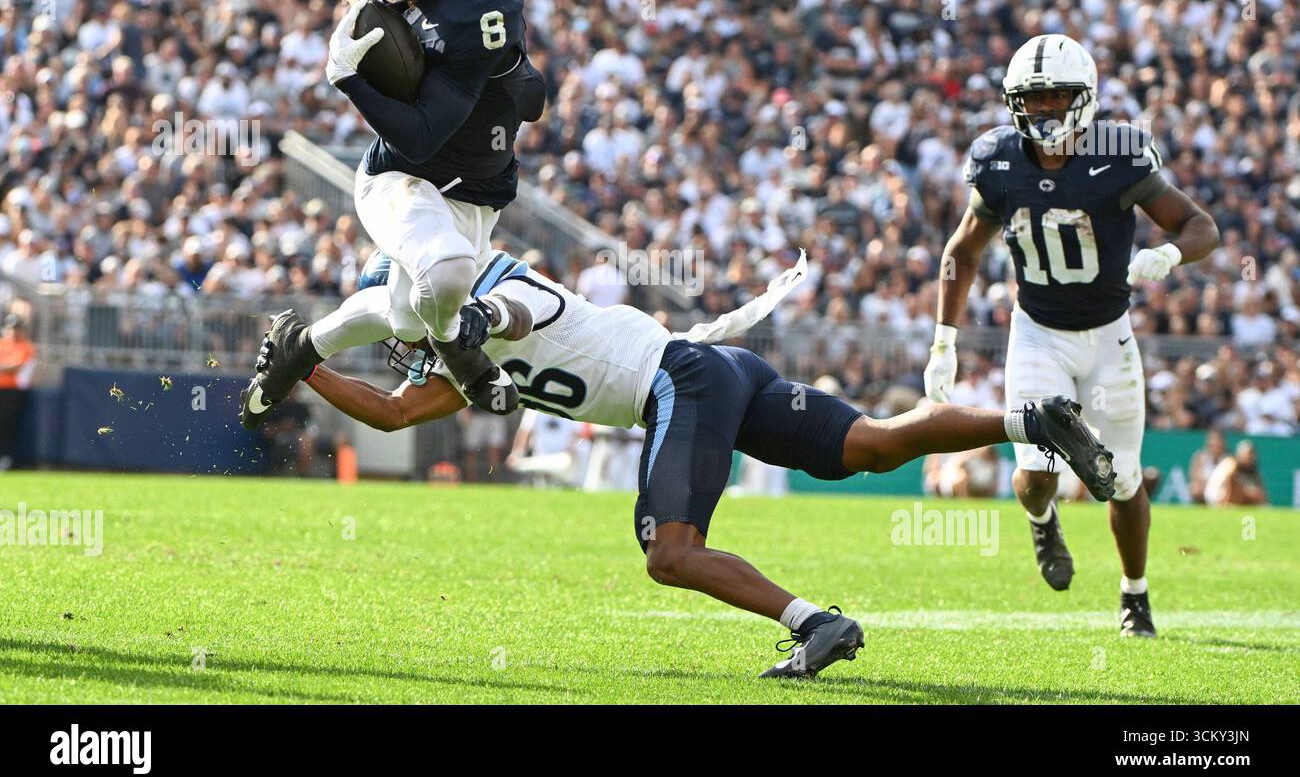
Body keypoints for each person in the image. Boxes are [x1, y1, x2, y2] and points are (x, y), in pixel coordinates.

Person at [242, 250, 1116, 679]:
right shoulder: (455, 348)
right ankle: (1028, 417)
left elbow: (510, 310)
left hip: (683, 379)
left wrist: (472, 323)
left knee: (669, 551)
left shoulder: (497, 292)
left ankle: (815, 623)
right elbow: (395, 414)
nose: (406, 340)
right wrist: (307, 369)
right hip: (719, 374)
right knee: (871, 447)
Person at [924, 34, 1220, 638]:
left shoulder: (1121, 156)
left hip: (1110, 337)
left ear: (1084, 99)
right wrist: (944, 340)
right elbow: (962, 250)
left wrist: (1167, 255)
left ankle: (1134, 595)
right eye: (1032, 100)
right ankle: (1043, 520)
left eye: (1057, 96)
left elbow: (1201, 226)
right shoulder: (999, 160)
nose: (1044, 111)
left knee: (1125, 478)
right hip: (1036, 334)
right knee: (1037, 474)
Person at [256, 0, 546, 418]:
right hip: (399, 177)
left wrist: (349, 81)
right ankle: (464, 350)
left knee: (409, 317)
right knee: (449, 275)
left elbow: (424, 132)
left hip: (470, 187)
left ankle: (299, 346)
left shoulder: (484, 9)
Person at [0, 313, 36, 469]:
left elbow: (16, 367)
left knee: (7, 426)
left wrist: (4, 366)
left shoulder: (26, 347)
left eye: (17, 328)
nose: (14, 331)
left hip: (12, 391)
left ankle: (5, 458)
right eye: (11, 327)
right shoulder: (2, 344)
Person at [1204, 441, 1268, 507]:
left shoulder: (1252, 469)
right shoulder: (1232, 463)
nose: (1250, 457)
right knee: (1239, 488)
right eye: (1248, 454)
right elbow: (1228, 482)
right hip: (1216, 494)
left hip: (1230, 496)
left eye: (1252, 454)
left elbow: (1260, 490)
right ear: (1240, 454)